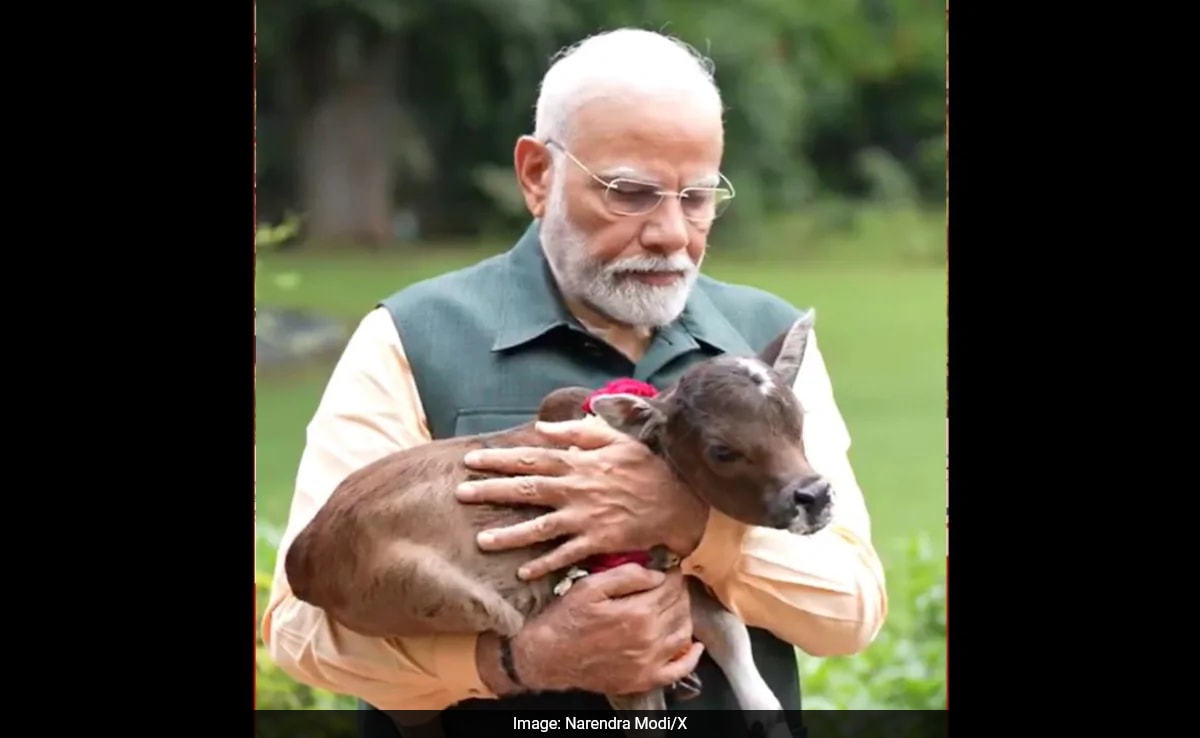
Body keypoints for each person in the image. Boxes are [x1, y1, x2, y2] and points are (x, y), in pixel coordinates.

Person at [261, 27, 887, 736]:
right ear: (537, 175)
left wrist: (690, 526)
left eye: (697, 197)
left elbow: (851, 611)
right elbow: (300, 634)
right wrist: (519, 659)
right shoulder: (412, 337)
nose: (672, 234)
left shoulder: (766, 345)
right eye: (630, 192)